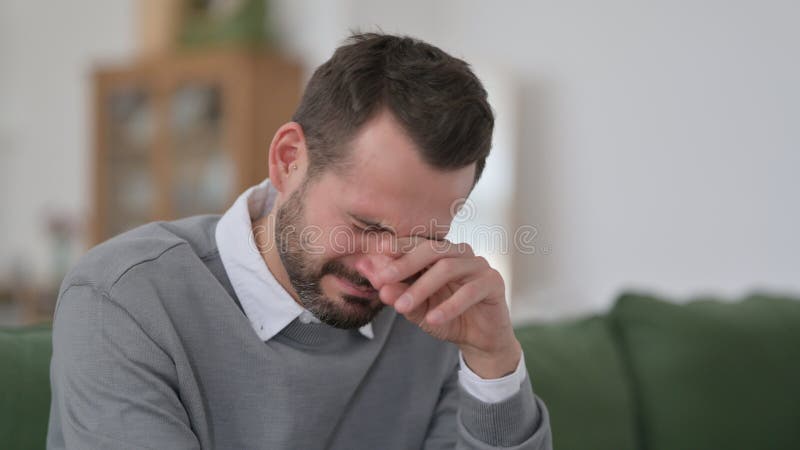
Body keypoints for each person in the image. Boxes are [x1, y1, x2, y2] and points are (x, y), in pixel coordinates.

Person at [47, 32, 552, 449]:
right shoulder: (123, 299)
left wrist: (493, 364)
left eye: (421, 237)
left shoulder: (434, 309)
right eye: (365, 226)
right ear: (289, 160)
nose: (384, 271)